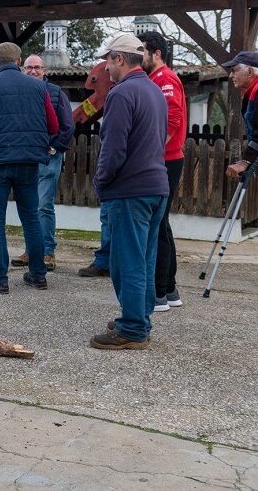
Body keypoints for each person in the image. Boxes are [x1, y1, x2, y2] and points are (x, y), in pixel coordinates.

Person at [89, 34, 168, 350]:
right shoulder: (154, 91)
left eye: (108, 59)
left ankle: (133, 328)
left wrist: (101, 182)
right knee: (145, 259)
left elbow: (113, 149)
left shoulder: (121, 94)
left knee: (127, 262)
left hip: (129, 190)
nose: (106, 67)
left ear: (119, 58)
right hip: (155, 186)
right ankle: (139, 317)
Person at [0, 42, 59, 295]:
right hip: (29, 162)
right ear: (19, 62)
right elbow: (53, 126)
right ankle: (38, 274)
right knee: (31, 216)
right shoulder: (39, 87)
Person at [10, 54, 74, 272]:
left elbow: (67, 126)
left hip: (48, 158)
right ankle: (32, 251)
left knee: (43, 206)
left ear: (44, 70)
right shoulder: (19, 93)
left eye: (37, 68)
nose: (33, 71)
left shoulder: (56, 93)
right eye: (29, 68)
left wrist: (54, 148)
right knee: (28, 207)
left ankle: (47, 252)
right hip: (25, 158)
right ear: (22, 70)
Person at [138, 31, 187, 312]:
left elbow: (172, 119)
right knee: (162, 225)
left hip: (166, 160)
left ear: (156, 53)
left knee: (157, 225)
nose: (139, 55)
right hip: (165, 159)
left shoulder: (165, 79)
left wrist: (151, 154)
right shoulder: (156, 78)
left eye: (142, 50)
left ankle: (160, 291)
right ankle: (168, 289)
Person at [223, 51, 258, 180]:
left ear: (250, 72)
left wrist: (246, 161)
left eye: (235, 70)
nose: (231, 75)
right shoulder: (252, 92)